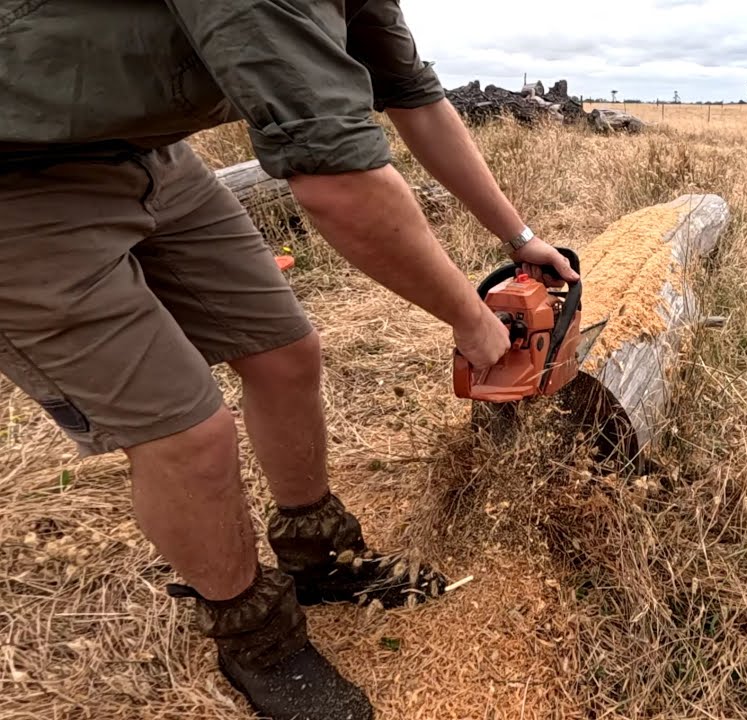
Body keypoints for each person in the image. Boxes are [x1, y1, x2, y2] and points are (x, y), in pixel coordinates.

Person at [0, 2, 578, 718]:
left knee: (285, 352)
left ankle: (316, 555)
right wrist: (471, 320)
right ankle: (254, 635)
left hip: (149, 151)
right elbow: (336, 183)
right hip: (16, 179)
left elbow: (414, 96)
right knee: (187, 434)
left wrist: (517, 237)